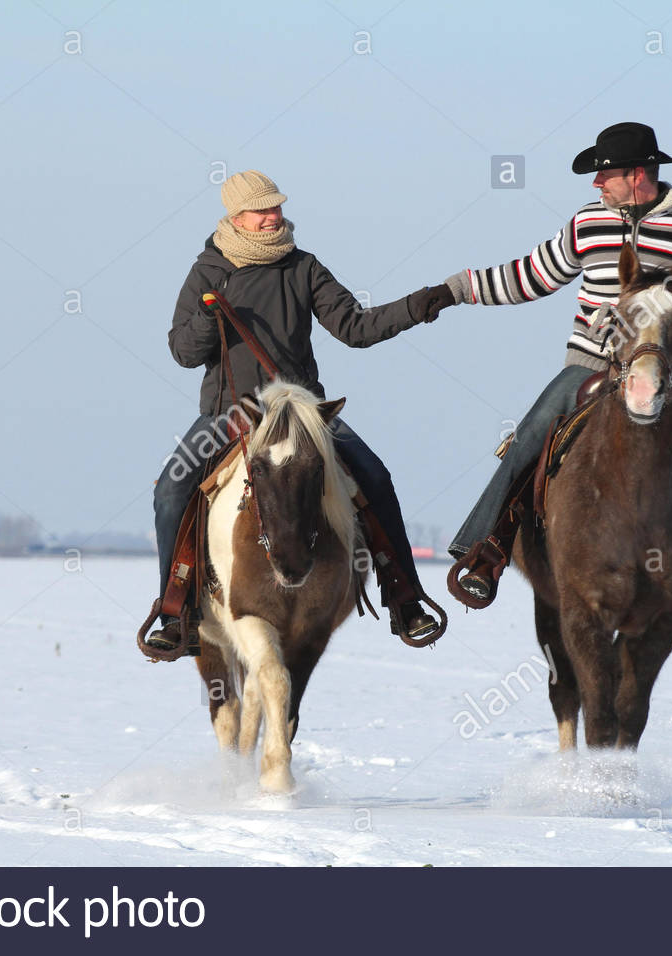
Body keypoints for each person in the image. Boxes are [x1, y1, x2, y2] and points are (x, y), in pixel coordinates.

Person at [440, 123, 672, 648]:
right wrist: (455, 289)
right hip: (590, 366)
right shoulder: (587, 223)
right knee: (531, 435)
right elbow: (529, 275)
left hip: (669, 377)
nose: (597, 183)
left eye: (605, 174)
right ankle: (486, 549)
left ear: (638, 175)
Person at [145, 170, 454, 656]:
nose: (273, 217)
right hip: (233, 411)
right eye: (262, 210)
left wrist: (419, 305)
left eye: (277, 207)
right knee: (170, 490)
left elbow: (356, 327)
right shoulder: (208, 271)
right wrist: (208, 316)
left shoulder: (303, 266)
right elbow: (183, 353)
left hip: (300, 409)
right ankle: (175, 610)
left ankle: (405, 599)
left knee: (375, 477)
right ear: (236, 216)